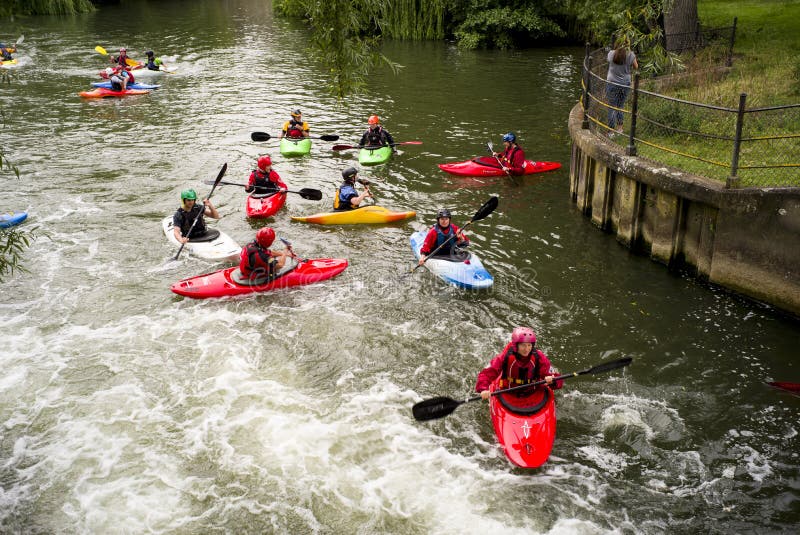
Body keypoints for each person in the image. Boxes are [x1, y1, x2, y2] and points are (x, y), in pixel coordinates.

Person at [475, 327, 563, 399]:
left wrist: (553, 380)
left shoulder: (539, 357)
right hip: (508, 391)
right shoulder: (505, 357)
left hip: (533, 392)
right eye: (523, 345)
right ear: (516, 345)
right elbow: (486, 373)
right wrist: (483, 389)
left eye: (529, 345)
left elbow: (557, 378)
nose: (526, 349)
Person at [606, 43, 638, 135]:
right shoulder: (631, 54)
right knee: (620, 106)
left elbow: (609, 61)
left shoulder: (611, 53)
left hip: (612, 83)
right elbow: (636, 67)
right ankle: (620, 129)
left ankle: (610, 132)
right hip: (624, 84)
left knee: (612, 107)